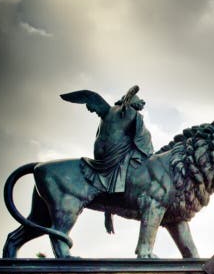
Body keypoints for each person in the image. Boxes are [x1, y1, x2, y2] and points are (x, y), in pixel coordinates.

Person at [61, 86, 154, 233]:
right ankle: (111, 209)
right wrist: (151, 159)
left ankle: (108, 210)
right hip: (114, 157)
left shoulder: (108, 111)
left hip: (100, 156)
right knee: (136, 161)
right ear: (134, 105)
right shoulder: (132, 114)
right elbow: (144, 141)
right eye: (138, 107)